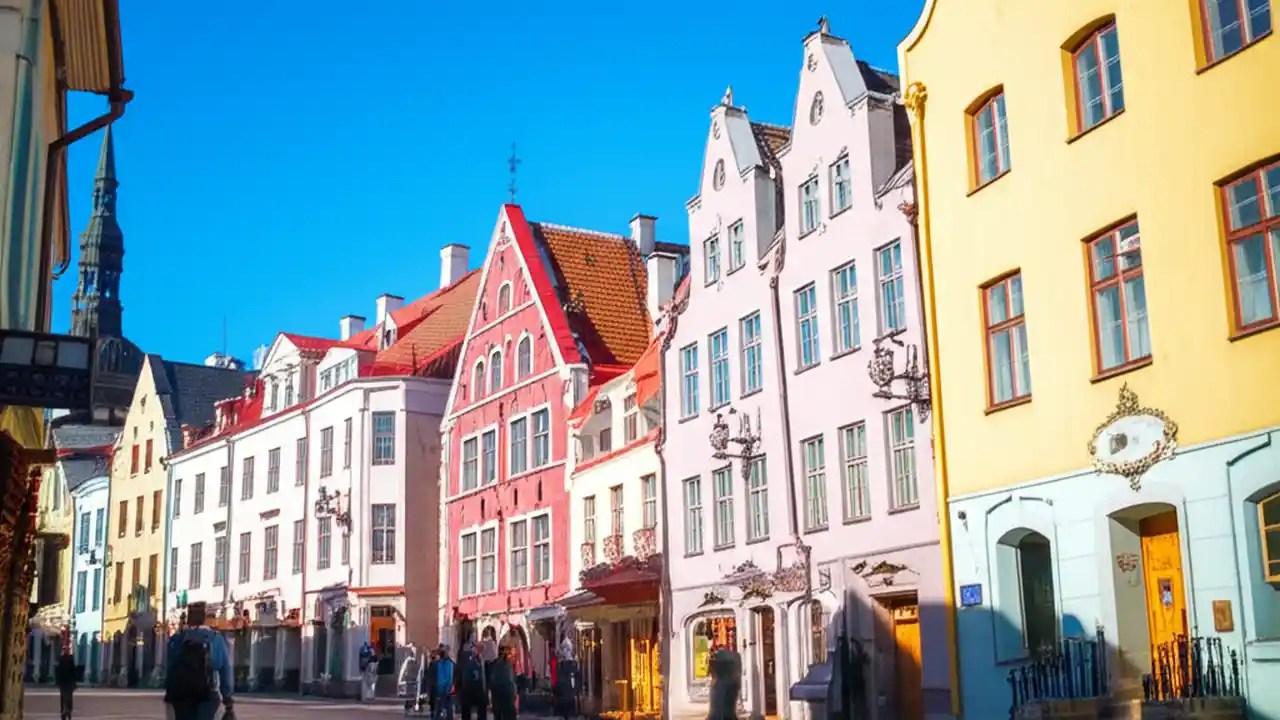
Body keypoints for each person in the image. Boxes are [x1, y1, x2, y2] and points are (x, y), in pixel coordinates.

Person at [165, 603, 235, 720]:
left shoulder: (177, 639)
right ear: (205, 619)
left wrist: (169, 690)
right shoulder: (215, 639)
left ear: (188, 619)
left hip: (181, 695)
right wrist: (227, 698)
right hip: (207, 694)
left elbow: (170, 667)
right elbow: (225, 669)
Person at [455, 641, 487, 720]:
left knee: (471, 711)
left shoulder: (479, 660)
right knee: (474, 710)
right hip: (471, 689)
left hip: (470, 689)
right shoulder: (472, 660)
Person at [488, 646, 517, 720]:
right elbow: (511, 681)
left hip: (497, 695)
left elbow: (492, 680)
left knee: (498, 715)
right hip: (507, 694)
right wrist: (514, 693)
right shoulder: (508, 665)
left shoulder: (494, 664)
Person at [432, 645, 456, 720]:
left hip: (445, 689)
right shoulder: (448, 664)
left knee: (444, 710)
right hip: (443, 689)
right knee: (443, 709)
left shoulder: (446, 663)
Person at [54, 651, 77, 720]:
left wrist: (58, 682)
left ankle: (65, 711)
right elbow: (73, 673)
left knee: (65, 697)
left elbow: (58, 671)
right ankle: (67, 711)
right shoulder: (69, 661)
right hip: (67, 683)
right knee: (67, 697)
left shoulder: (63, 661)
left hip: (65, 683)